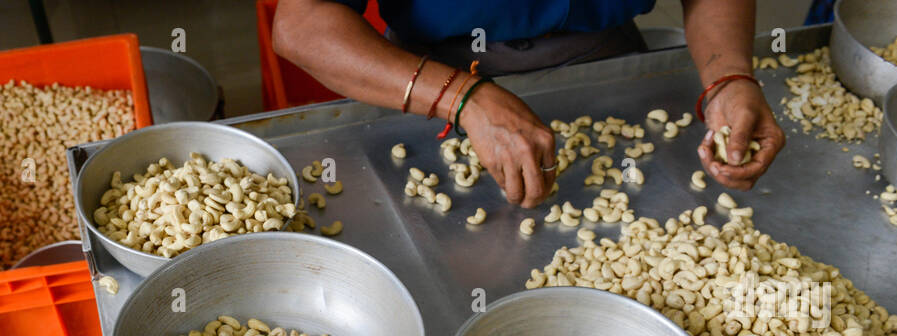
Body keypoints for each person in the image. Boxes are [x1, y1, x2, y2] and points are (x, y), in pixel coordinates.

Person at [272, 0, 786, 207]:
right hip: (420, 79)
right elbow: (302, 23)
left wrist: (728, 77)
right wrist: (463, 97)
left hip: (606, 70)